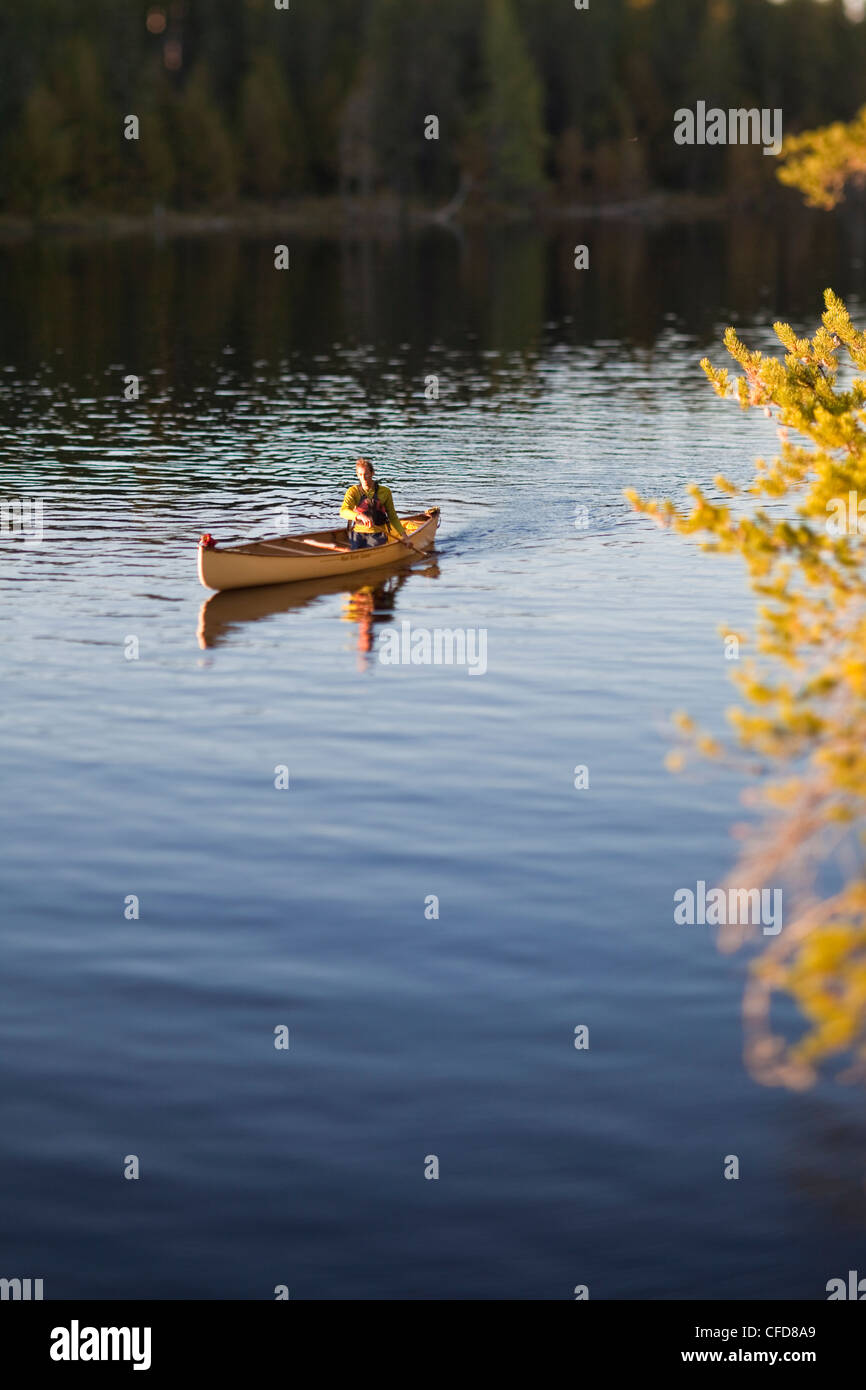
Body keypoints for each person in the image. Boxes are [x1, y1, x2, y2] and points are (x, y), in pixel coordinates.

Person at [340, 458, 409, 550]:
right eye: (360, 475)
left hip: (378, 534)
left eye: (366, 474)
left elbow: (393, 517)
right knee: (355, 551)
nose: (363, 478)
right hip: (357, 534)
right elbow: (343, 512)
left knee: (368, 551)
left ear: (372, 473)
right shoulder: (353, 491)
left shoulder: (385, 492)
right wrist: (360, 516)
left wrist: (405, 536)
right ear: (357, 475)